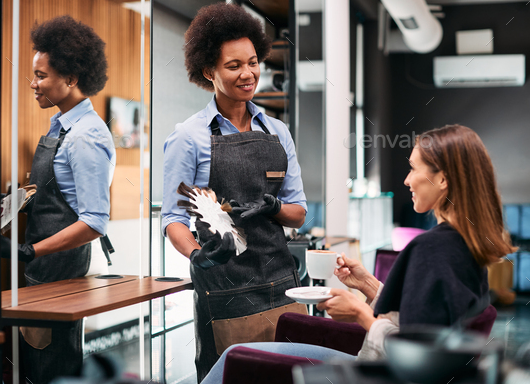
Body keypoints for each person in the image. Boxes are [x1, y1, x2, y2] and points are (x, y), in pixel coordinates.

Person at [199, 124, 517, 383]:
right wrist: (367, 285)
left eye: (413, 169)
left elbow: (414, 356)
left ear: (443, 179)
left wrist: (360, 313)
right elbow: (422, 322)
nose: (406, 180)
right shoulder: (465, 247)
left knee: (233, 355)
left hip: (377, 371)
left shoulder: (431, 249)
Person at [161, 2, 308, 382]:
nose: (248, 74)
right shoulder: (188, 138)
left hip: (284, 287)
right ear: (208, 71)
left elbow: (298, 213)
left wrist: (273, 207)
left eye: (253, 62)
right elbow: (173, 219)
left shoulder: (278, 132)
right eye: (234, 66)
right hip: (225, 290)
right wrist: (198, 255)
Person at [0, 15, 115, 384]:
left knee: (53, 370)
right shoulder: (60, 125)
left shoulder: (84, 136)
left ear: (71, 79)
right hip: (42, 277)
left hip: (59, 277)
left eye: (41, 75)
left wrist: (31, 252)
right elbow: (61, 193)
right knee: (36, 365)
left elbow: (95, 222)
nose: (32, 84)